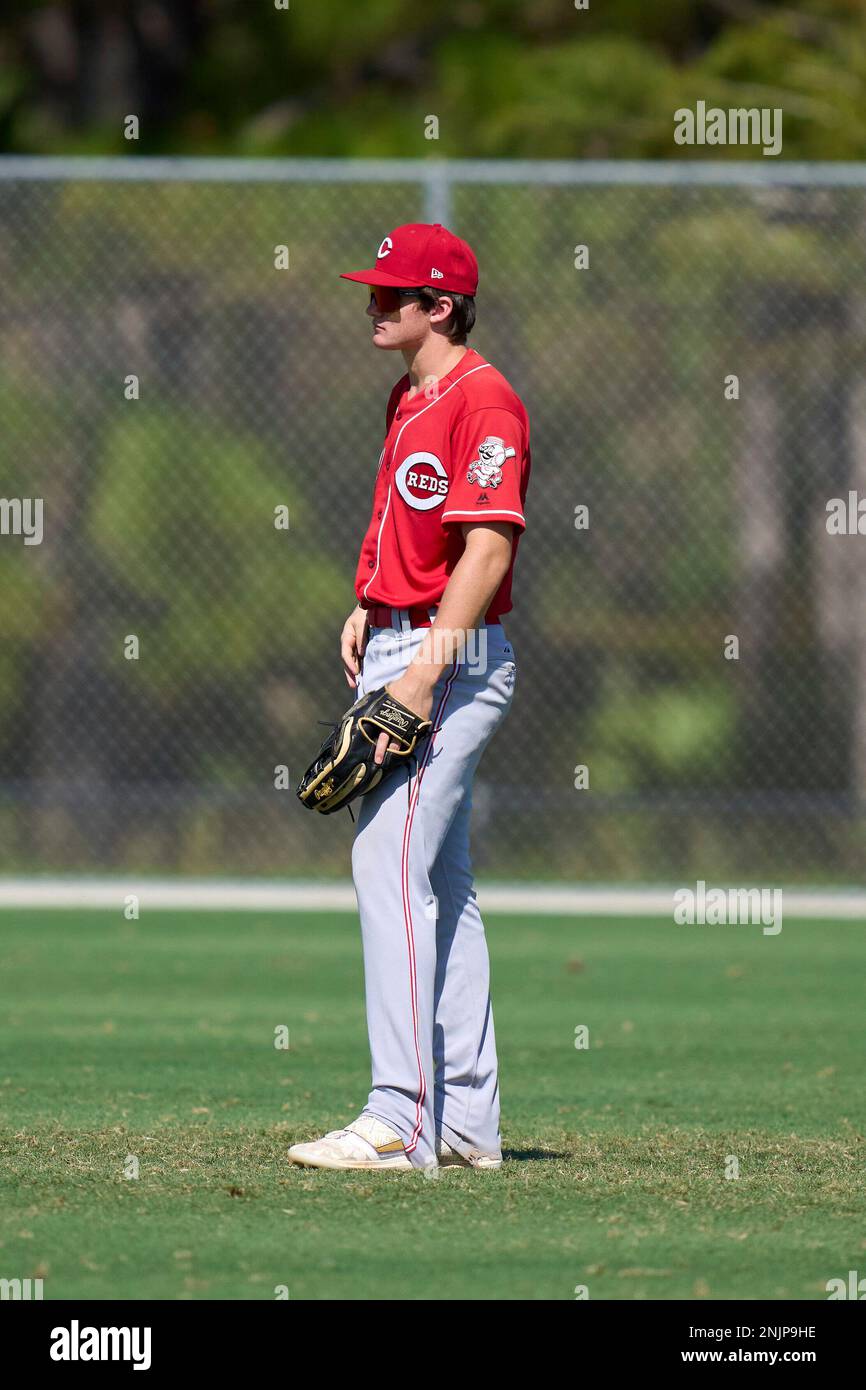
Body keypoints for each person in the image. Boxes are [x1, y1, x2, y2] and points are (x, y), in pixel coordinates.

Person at [288, 222, 531, 1171]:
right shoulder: (409, 394)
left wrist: (424, 672)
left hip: (449, 658)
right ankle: (469, 1123)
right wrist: (367, 601)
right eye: (375, 290)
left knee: (384, 864)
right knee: (439, 880)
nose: (375, 304)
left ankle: (398, 1117)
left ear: (442, 307)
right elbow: (407, 517)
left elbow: (488, 547)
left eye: (394, 294)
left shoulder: (488, 401)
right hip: (400, 638)